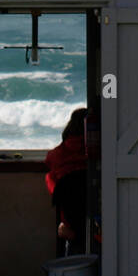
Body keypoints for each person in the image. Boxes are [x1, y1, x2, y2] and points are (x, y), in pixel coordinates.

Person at [45, 108, 88, 254]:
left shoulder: (56, 155)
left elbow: (57, 189)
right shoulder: (97, 152)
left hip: (70, 223)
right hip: (98, 218)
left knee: (51, 178)